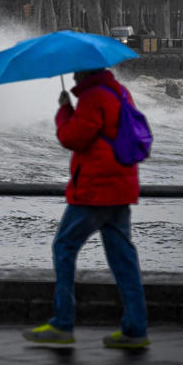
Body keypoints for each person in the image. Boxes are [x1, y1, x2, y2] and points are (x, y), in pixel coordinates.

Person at [22, 68, 149, 348]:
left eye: (78, 73)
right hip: (121, 186)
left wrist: (64, 111)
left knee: (64, 247)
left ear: (85, 73)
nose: (75, 78)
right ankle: (136, 329)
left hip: (95, 190)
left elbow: (73, 138)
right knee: (123, 259)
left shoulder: (93, 97)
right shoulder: (120, 91)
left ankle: (62, 323)